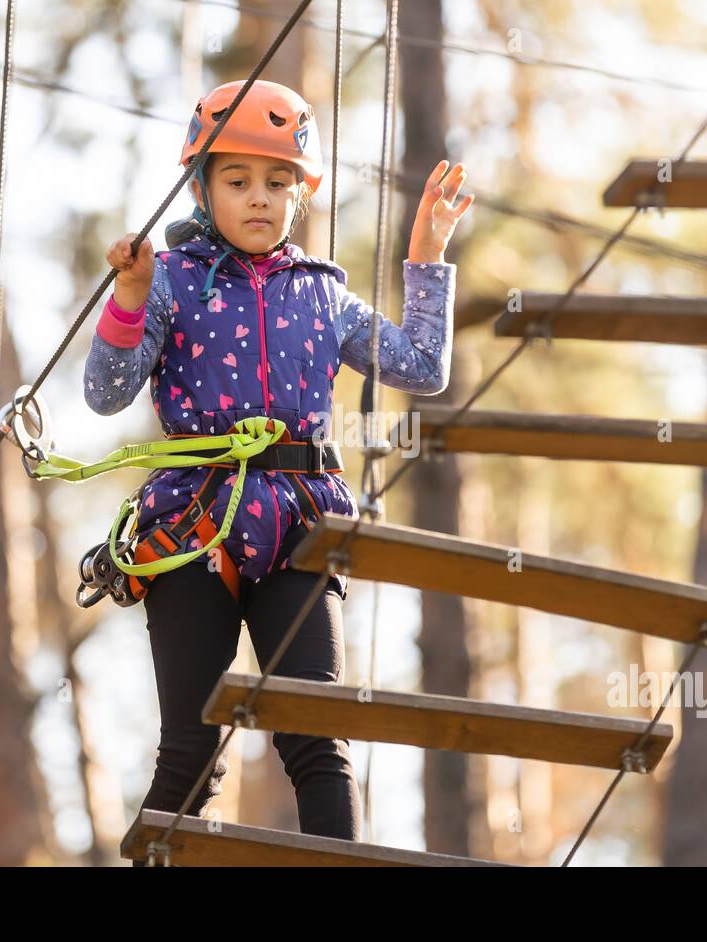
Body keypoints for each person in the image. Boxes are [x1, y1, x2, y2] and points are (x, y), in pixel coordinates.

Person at [82, 79, 473, 852]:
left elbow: (423, 366)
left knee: (318, 742)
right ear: (202, 188)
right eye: (238, 182)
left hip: (299, 525)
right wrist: (130, 295)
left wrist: (426, 253)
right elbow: (105, 391)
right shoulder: (173, 279)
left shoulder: (322, 296)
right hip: (194, 528)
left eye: (278, 182)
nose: (260, 198)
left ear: (300, 195)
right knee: (191, 753)